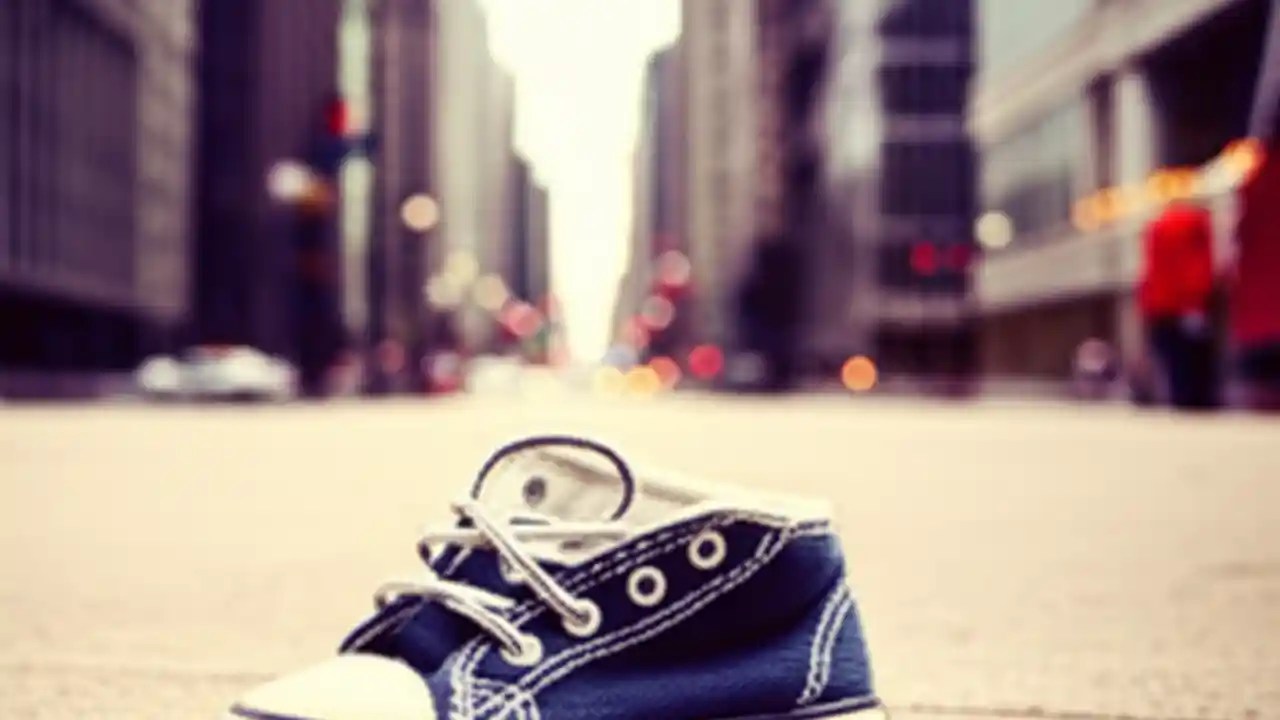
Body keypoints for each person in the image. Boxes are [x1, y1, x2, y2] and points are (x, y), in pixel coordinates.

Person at [1139, 198, 1219, 410]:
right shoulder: (1196, 223)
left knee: (1175, 372)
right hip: (1186, 307)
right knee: (1195, 372)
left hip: (1160, 309)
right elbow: (1196, 268)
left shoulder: (1156, 225)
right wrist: (1198, 300)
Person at [1231, 139, 1280, 411]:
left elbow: (1241, 236)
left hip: (1260, 306)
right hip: (1265, 298)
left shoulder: (1253, 181)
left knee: (1262, 383)